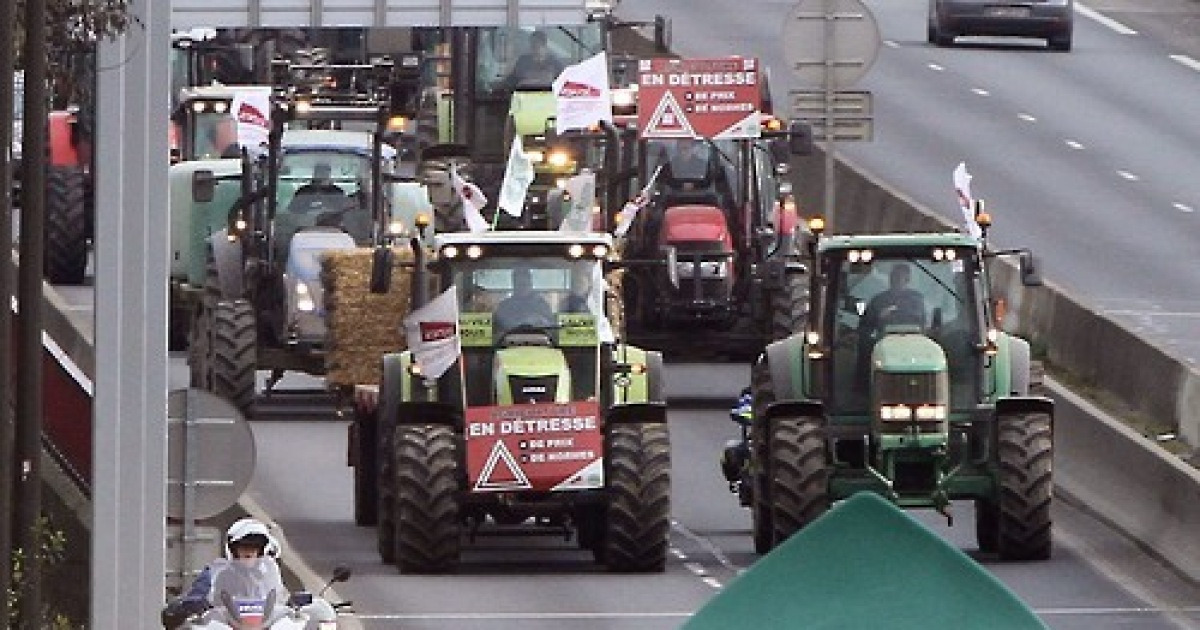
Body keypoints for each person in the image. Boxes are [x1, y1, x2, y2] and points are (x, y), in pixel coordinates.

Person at [162, 518, 289, 628]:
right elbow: (196, 596)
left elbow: (280, 599)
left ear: (261, 551)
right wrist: (190, 604)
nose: (248, 552)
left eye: (254, 547)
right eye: (243, 547)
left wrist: (293, 604)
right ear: (233, 549)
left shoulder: (268, 574)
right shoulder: (215, 573)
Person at [493, 265, 554, 333]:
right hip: (509, 338)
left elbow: (551, 327)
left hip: (538, 338)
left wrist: (540, 320)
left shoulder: (541, 305)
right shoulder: (504, 306)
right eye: (518, 284)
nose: (521, 287)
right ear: (513, 285)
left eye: (524, 284)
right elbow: (497, 329)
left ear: (530, 284)